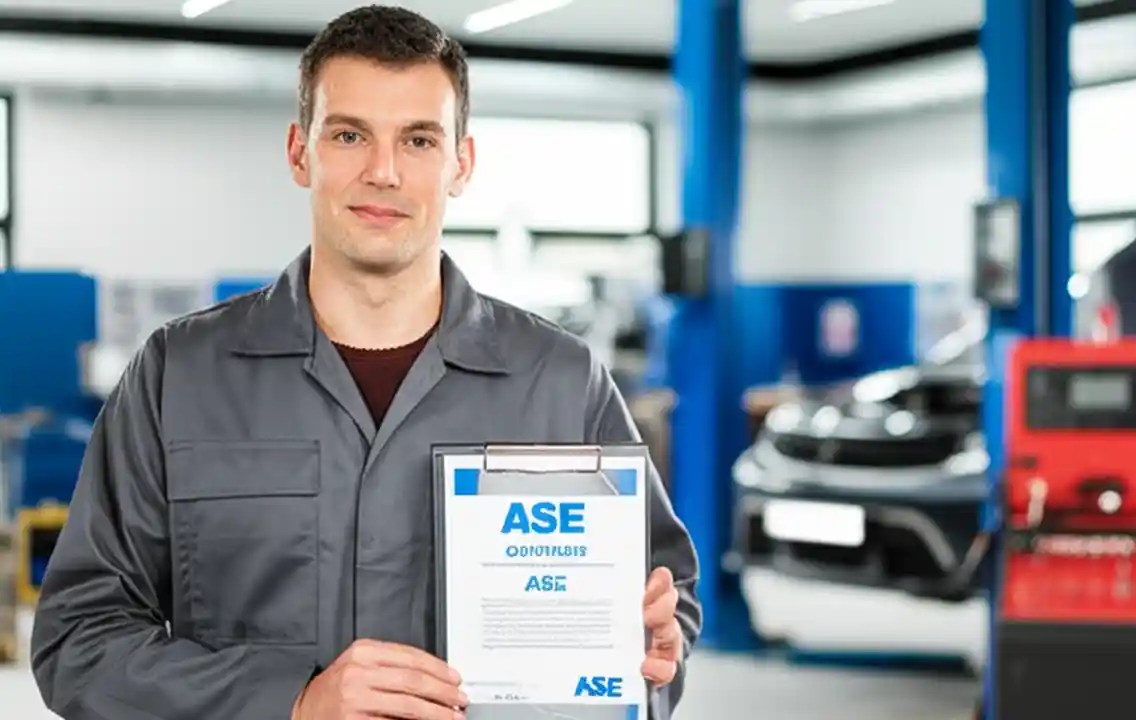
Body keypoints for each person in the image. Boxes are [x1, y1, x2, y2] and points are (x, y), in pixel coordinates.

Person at [30, 6, 701, 719]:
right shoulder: (178, 375)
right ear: (299, 153)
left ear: (460, 165)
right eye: (349, 135)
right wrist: (290, 702)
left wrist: (655, 653)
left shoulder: (560, 382)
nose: (383, 172)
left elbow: (663, 614)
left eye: (418, 140)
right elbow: (79, 640)